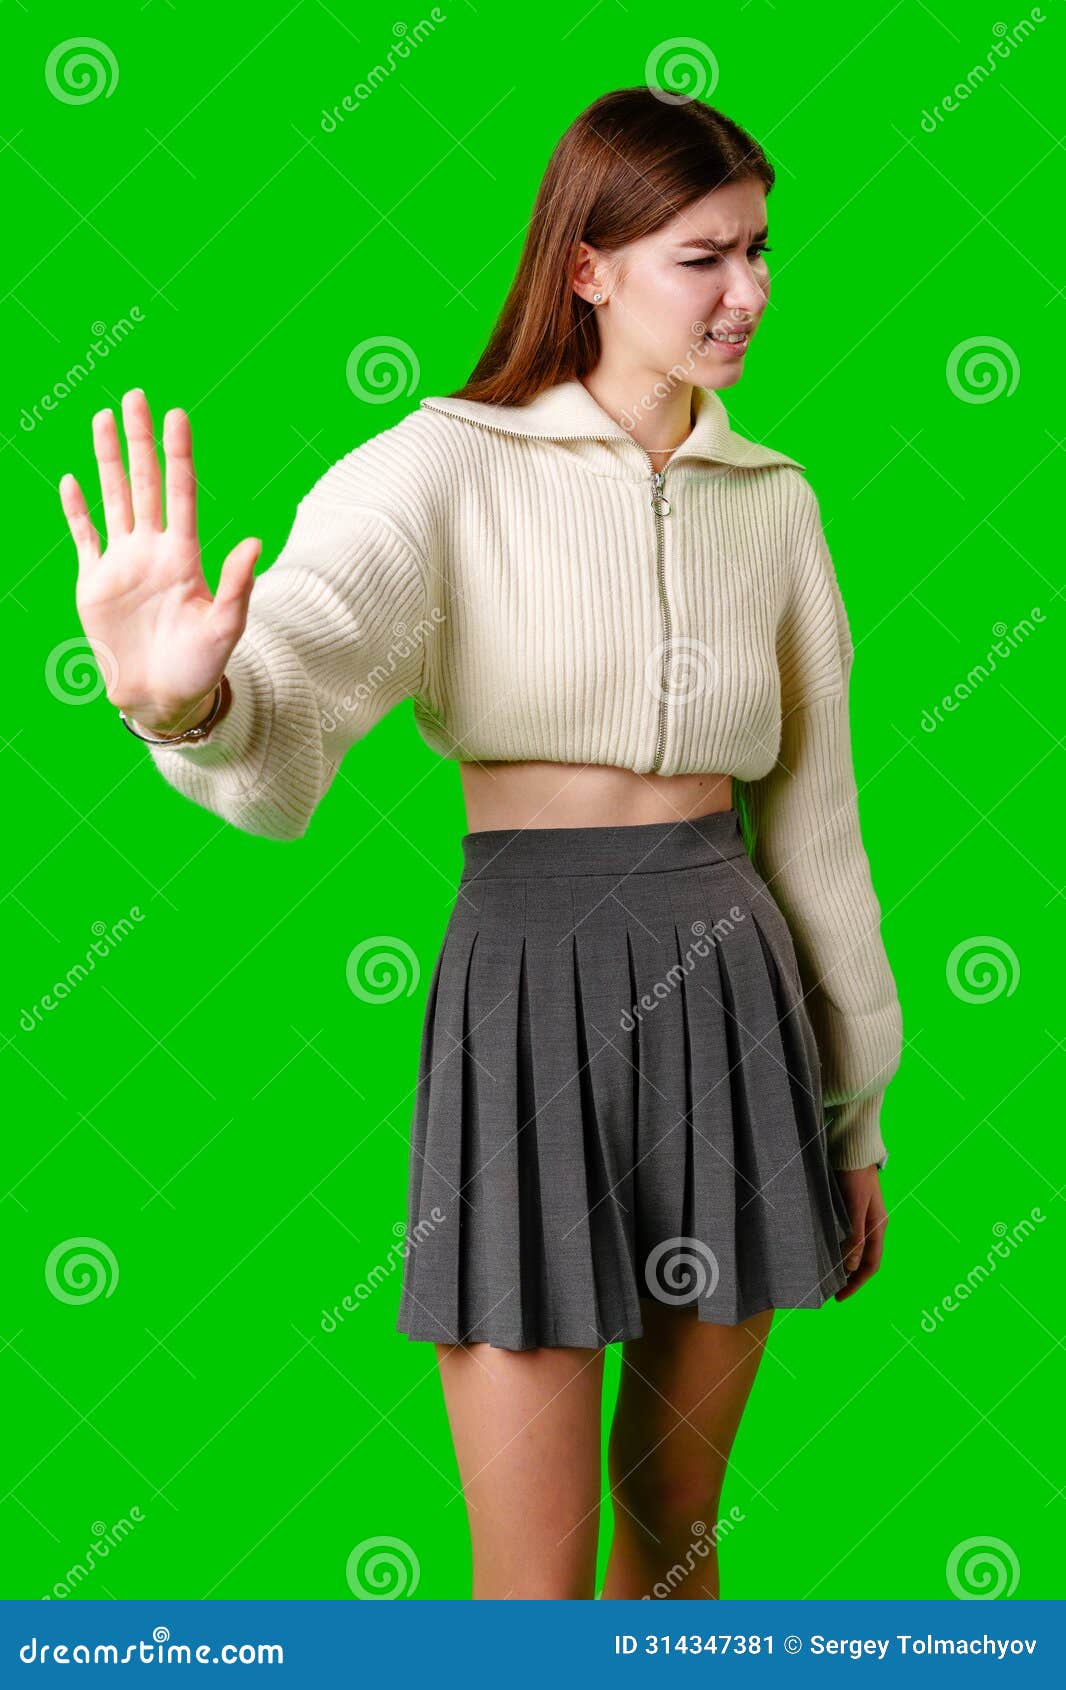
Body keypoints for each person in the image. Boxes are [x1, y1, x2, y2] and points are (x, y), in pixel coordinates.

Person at [59, 88, 902, 1601]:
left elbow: (817, 826)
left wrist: (855, 1116)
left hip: (731, 997)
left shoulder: (771, 502)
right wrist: (183, 702)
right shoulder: (432, 470)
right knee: (528, 1586)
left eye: (759, 252)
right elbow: (297, 678)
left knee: (674, 1544)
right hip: (528, 1000)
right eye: (703, 259)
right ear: (586, 268)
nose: (749, 293)